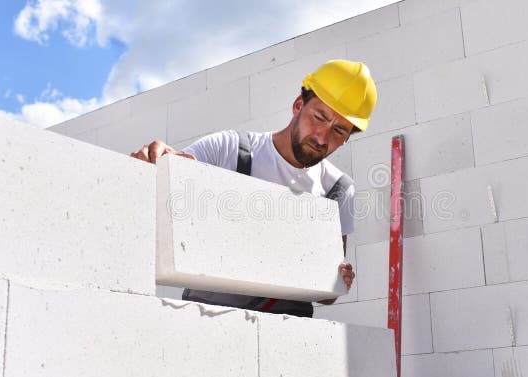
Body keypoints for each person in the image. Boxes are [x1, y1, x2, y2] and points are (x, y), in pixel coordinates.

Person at [130, 59, 377, 317]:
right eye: (319, 117)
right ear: (298, 105)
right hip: (206, 321)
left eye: (338, 130)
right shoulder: (229, 150)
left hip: (282, 332)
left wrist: (337, 282)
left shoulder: (337, 190)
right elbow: (173, 177)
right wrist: (158, 162)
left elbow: (326, 294)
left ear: (348, 137)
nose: (321, 137)